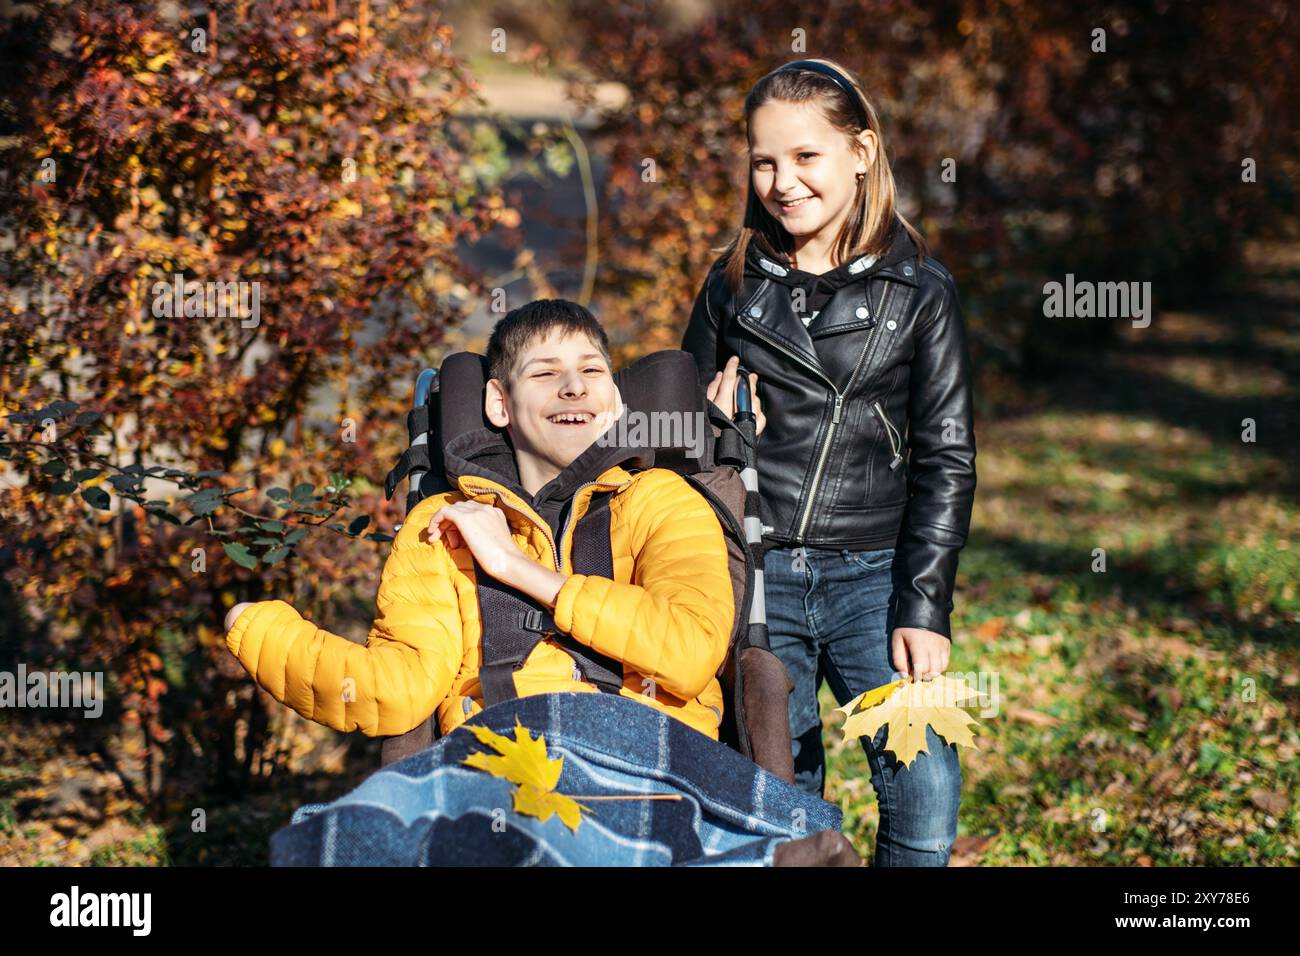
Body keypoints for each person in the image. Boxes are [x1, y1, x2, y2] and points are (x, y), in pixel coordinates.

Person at [223, 298, 856, 866]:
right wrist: (261, 629)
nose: (575, 387)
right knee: (345, 842)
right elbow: (398, 691)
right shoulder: (440, 527)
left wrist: (516, 569)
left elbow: (689, 654)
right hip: (502, 758)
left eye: (592, 371)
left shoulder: (665, 502)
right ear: (500, 402)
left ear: (615, 401)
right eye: (547, 373)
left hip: (655, 756)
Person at [681, 58, 978, 867]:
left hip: (875, 577)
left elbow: (946, 456)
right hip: (757, 576)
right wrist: (710, 422)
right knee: (787, 798)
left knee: (925, 791)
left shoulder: (918, 289)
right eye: (765, 160)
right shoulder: (733, 284)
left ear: (861, 151)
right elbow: (672, 442)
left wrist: (923, 601)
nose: (783, 181)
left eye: (805, 156)